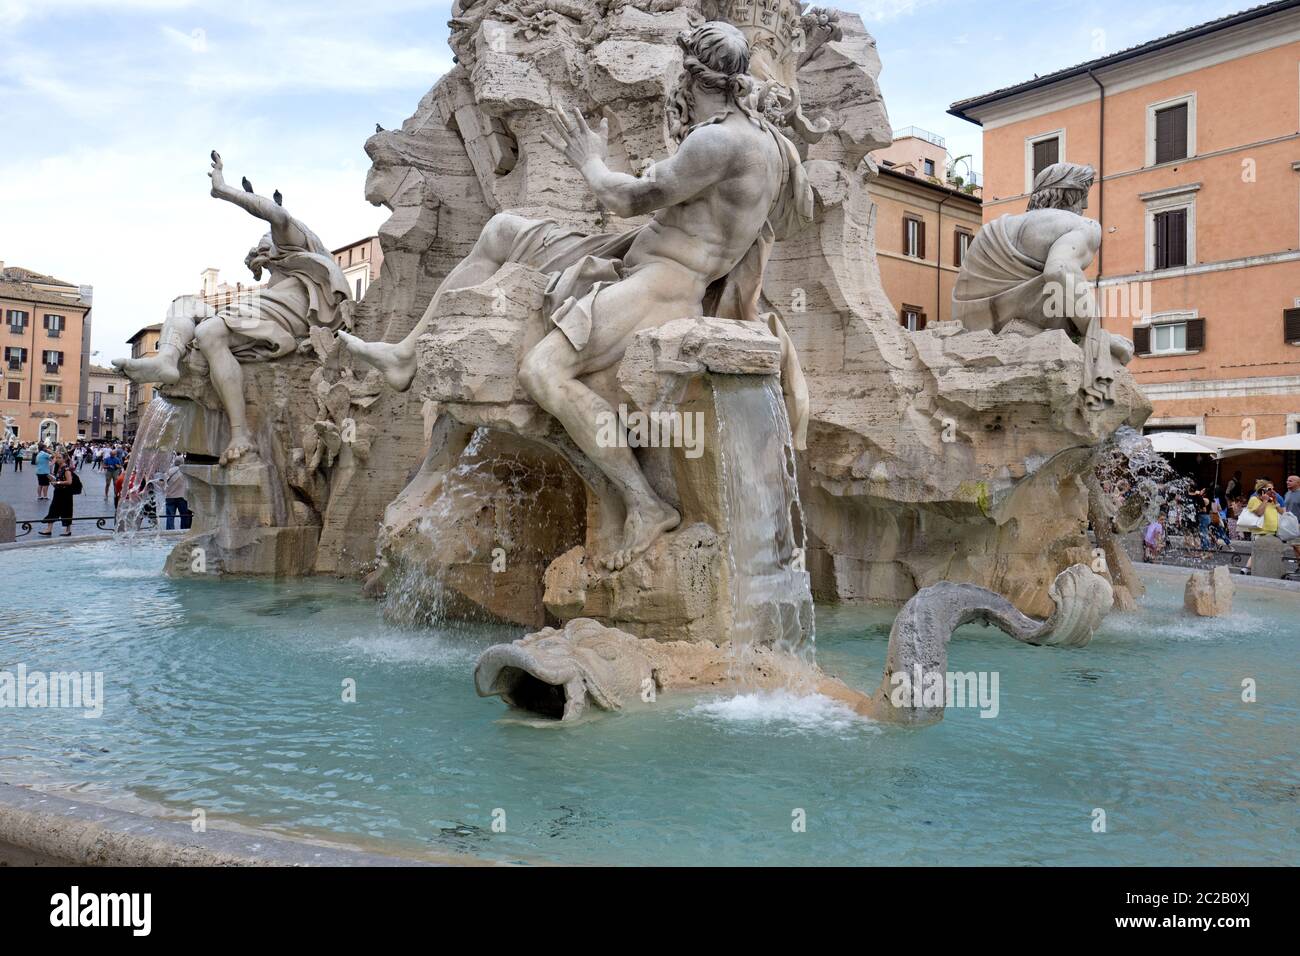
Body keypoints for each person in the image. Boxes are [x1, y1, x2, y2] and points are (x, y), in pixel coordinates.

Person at [341, 21, 814, 571]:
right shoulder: (767, 142)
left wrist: (589, 159)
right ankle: (405, 354)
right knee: (502, 231)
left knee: (543, 372)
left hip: (666, 282)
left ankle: (644, 502)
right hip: (631, 252)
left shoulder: (719, 141)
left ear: (689, 79)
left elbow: (629, 197)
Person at [114, 152, 353, 466]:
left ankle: (240, 433)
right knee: (184, 304)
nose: (260, 246)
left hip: (287, 319)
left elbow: (277, 216)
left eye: (264, 240)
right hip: (262, 314)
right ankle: (167, 360)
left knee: (210, 329)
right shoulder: (275, 278)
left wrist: (224, 190)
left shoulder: (294, 242)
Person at [1243, 479, 1282, 574]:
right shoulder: (1254, 499)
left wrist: (1275, 501)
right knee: (1259, 552)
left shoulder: (1272, 500)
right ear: (1262, 489)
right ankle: (1247, 569)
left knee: (1267, 554)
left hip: (1273, 532)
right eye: (1269, 489)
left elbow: (1282, 512)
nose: (1272, 491)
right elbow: (1259, 513)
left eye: (1273, 489)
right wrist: (1264, 501)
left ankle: (1250, 570)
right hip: (1260, 532)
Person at [38, 451, 77, 537]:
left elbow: (69, 481)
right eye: (57, 457)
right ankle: (48, 529)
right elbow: (57, 478)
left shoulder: (66, 469)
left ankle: (68, 530)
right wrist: (53, 480)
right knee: (53, 509)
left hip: (66, 493)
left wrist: (58, 482)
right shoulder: (58, 467)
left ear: (64, 459)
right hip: (58, 492)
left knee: (66, 510)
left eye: (60, 458)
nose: (58, 459)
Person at [163, 455, 192, 530]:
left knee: (170, 516)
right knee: (184, 516)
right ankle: (184, 530)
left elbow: (163, 483)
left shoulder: (169, 471)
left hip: (169, 497)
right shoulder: (185, 471)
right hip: (182, 496)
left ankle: (169, 531)